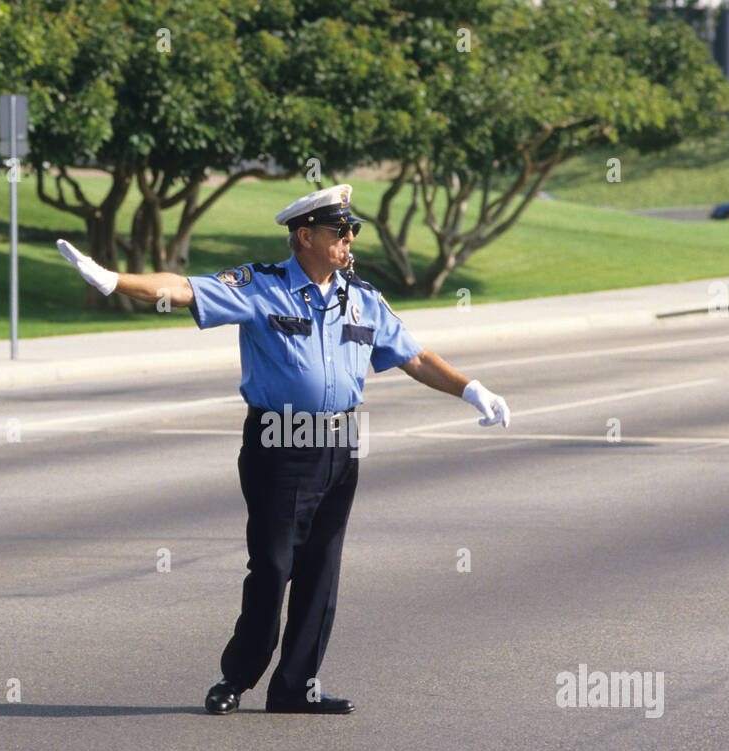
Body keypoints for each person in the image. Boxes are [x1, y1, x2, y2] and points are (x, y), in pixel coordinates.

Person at [57, 184, 510, 715]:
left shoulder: (360, 295)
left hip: (339, 442)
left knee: (321, 569)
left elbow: (412, 356)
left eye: (352, 230)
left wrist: (470, 388)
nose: (350, 240)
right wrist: (114, 281)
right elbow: (183, 288)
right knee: (273, 567)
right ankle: (238, 676)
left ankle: (296, 686)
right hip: (280, 442)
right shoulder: (260, 286)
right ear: (305, 236)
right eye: (340, 232)